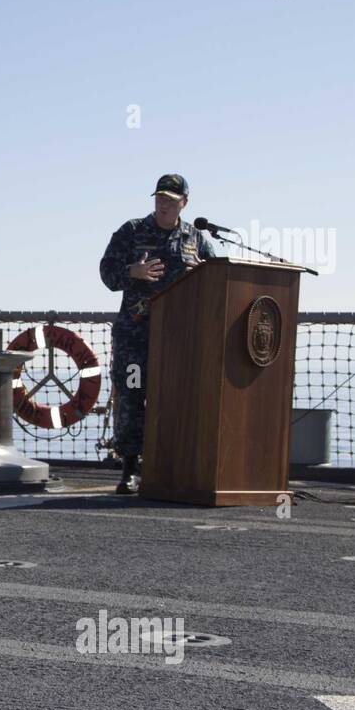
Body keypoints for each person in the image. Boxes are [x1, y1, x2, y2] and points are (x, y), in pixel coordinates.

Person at [99, 173, 216, 494]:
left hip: (180, 338)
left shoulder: (196, 238)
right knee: (132, 396)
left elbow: (220, 277)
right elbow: (107, 273)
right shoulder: (132, 231)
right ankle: (129, 468)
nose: (164, 205)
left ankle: (170, 464)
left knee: (177, 398)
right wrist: (131, 272)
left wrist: (202, 276)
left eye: (171, 200)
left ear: (184, 203)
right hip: (136, 336)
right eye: (159, 199)